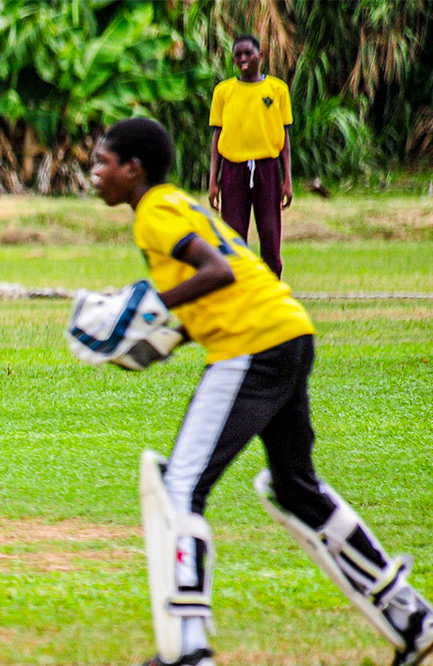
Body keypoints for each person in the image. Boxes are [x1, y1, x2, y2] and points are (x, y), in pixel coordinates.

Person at [89, 116, 433, 666]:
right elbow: (216, 286)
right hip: (288, 330)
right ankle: (411, 617)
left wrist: (151, 306)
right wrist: (157, 340)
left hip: (252, 345)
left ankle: (187, 649)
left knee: (178, 488)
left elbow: (217, 271)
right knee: (296, 488)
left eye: (103, 162)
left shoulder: (155, 212)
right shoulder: (176, 202)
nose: (94, 173)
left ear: (134, 170)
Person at [208, 33, 292, 277]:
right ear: (234, 60)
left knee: (270, 235)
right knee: (233, 238)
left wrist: (287, 180)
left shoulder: (277, 89)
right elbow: (216, 138)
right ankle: (235, 292)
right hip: (234, 171)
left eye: (248, 53)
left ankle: (271, 292)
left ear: (260, 56)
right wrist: (213, 181)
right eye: (238, 55)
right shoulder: (224, 92)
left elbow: (285, 139)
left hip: (267, 169)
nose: (243, 58)